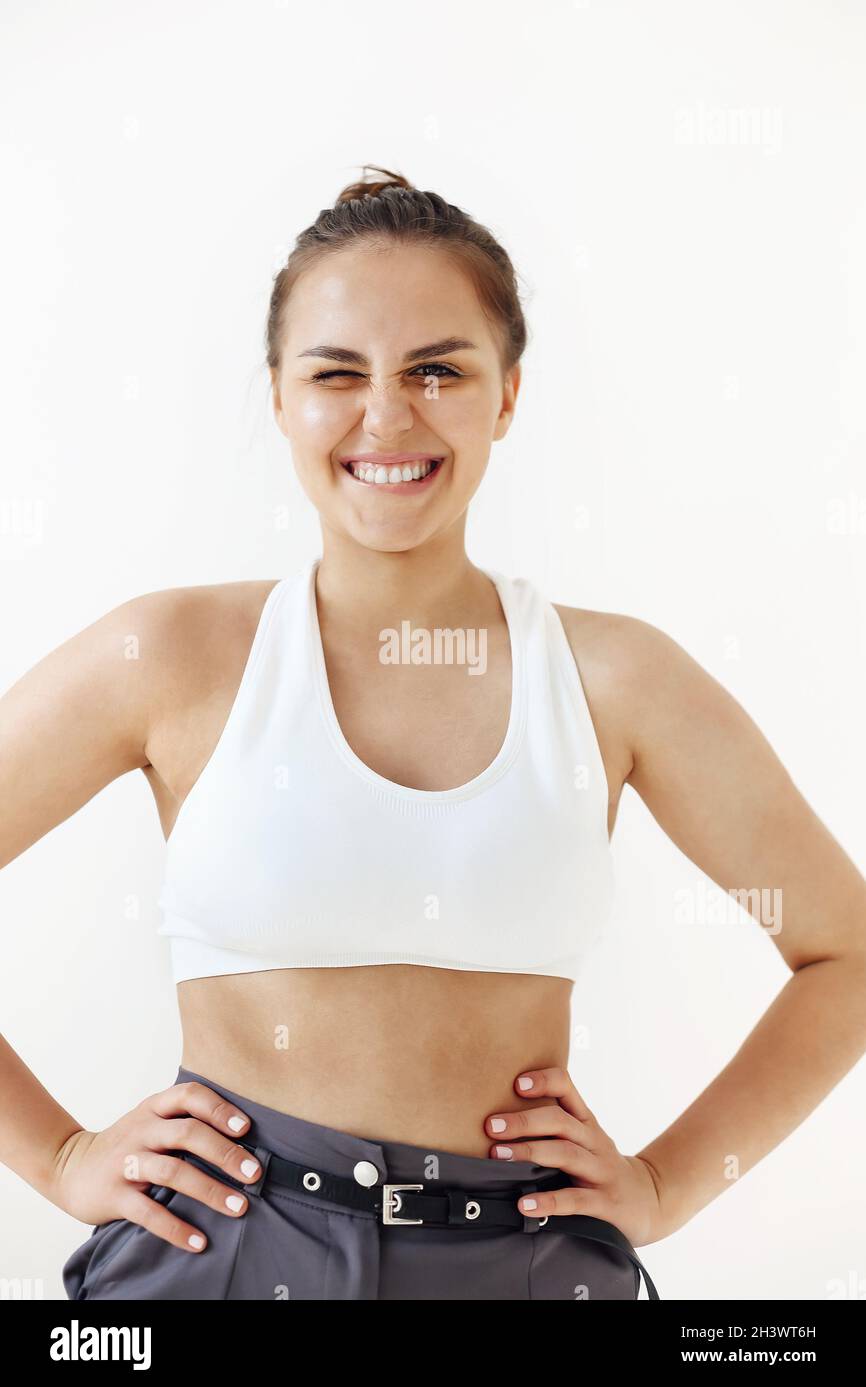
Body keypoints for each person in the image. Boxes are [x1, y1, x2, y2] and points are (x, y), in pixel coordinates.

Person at [2, 166, 865, 1301]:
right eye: (335, 373)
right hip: (222, 1252)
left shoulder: (614, 678)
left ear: (506, 394)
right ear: (277, 395)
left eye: (436, 370)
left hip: (525, 1258)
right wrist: (60, 1156)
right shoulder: (167, 657)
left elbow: (841, 954)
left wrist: (663, 1184)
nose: (386, 416)